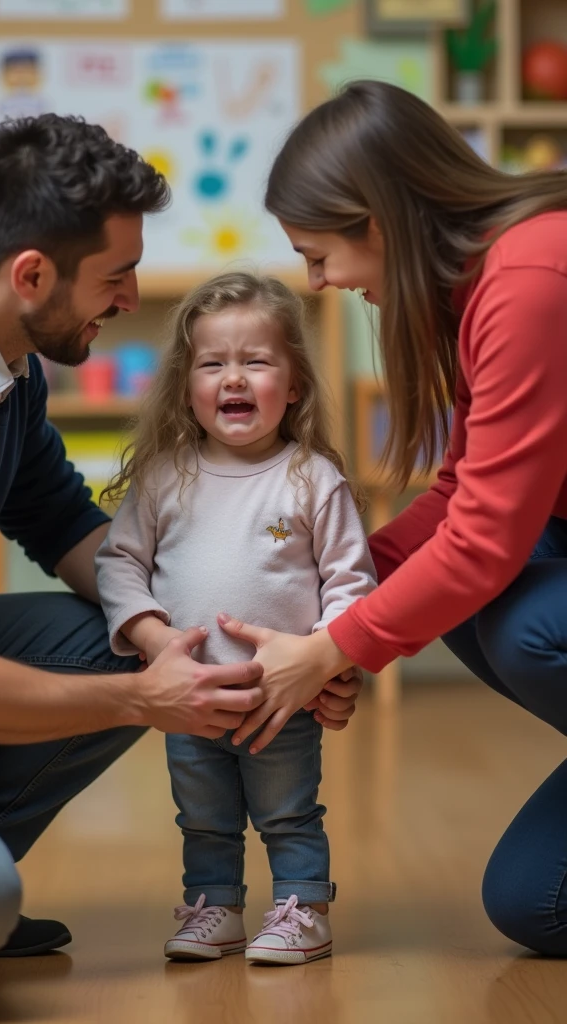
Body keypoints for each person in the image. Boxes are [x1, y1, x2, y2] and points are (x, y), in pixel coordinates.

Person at [0, 114, 285, 976]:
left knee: (120, 640)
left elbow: (61, 522)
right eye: (115, 276)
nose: (131, 299)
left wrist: (209, 634)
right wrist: (143, 700)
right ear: (32, 274)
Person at [209, 79, 567, 958]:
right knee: (534, 905)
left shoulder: (529, 277)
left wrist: (333, 648)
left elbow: (484, 541)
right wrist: (332, 598)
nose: (318, 282)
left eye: (318, 256)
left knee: (523, 628)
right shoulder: (477, 286)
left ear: (376, 223)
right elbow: (462, 491)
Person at [96, 271, 374, 965]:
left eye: (256, 361)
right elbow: (118, 563)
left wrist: (328, 657)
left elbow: (351, 582)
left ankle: (303, 910)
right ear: (185, 385)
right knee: (203, 818)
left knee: (289, 812)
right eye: (213, 364)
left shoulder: (314, 479)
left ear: (296, 383)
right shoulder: (164, 476)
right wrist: (154, 638)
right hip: (189, 697)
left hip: (282, 700)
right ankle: (214, 908)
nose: (235, 378)